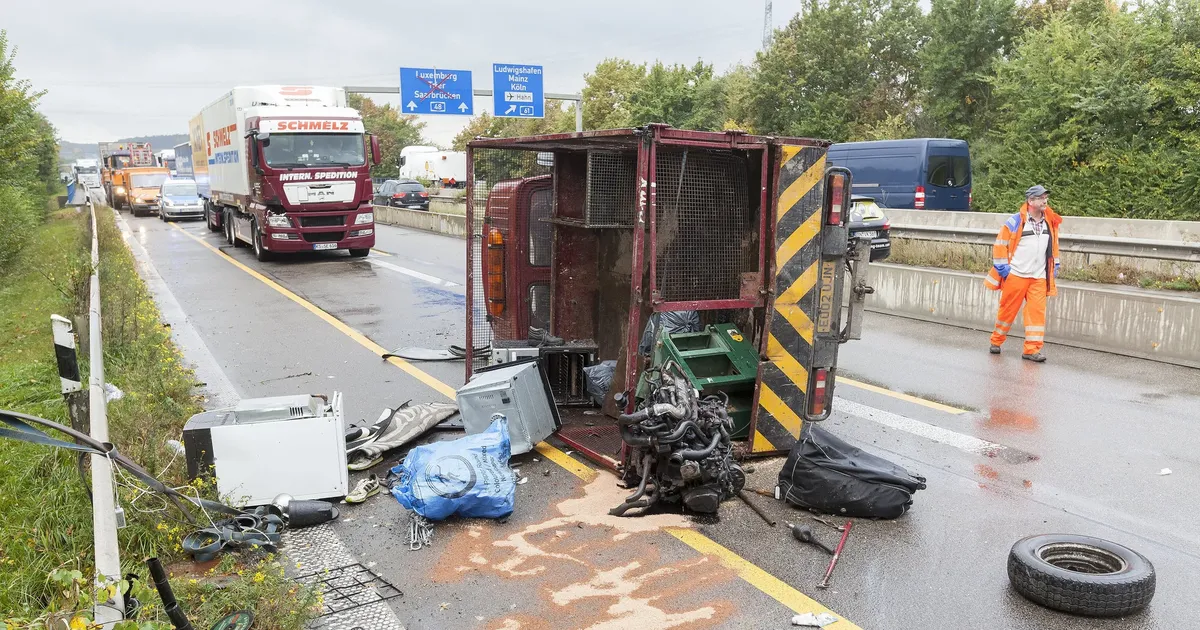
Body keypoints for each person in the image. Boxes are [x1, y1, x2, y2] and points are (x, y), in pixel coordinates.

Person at [984, 184, 1062, 362]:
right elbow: (1000, 245)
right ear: (1030, 201)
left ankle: (1031, 350)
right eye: (1041, 198)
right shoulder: (1016, 221)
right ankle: (996, 341)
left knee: (1037, 313)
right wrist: (1004, 270)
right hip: (1017, 275)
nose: (1045, 201)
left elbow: (1054, 245)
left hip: (1038, 277)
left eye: (1045, 197)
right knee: (1007, 311)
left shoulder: (1050, 221)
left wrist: (1055, 264)